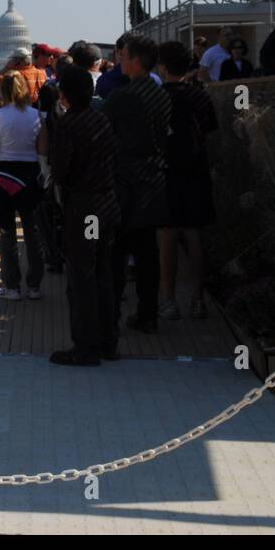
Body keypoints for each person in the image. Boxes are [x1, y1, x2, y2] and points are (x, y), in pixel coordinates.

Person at [48, 66, 121, 366]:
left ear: (64, 95)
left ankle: (85, 346)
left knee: (81, 277)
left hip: (84, 208)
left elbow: (61, 171)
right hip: (108, 204)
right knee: (105, 274)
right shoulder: (102, 119)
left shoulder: (68, 125)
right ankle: (108, 341)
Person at [103, 35, 171, 334]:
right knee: (147, 254)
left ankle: (111, 316)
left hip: (125, 183)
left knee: (116, 255)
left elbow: (104, 132)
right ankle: (148, 314)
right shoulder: (161, 95)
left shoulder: (124, 97)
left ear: (136, 61)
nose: (120, 60)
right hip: (155, 180)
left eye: (124, 55)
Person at [157, 41, 218, 320]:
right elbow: (211, 132)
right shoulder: (200, 96)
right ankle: (197, 299)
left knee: (167, 234)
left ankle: (168, 300)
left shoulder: (157, 98)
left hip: (165, 171)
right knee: (194, 234)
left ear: (163, 67)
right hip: (196, 169)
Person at [0, 71, 47, 300]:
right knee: (33, 233)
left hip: (2, 176)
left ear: (2, 92)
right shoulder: (37, 115)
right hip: (29, 176)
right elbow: (42, 151)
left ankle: (12, 286)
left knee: (7, 234)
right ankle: (35, 286)